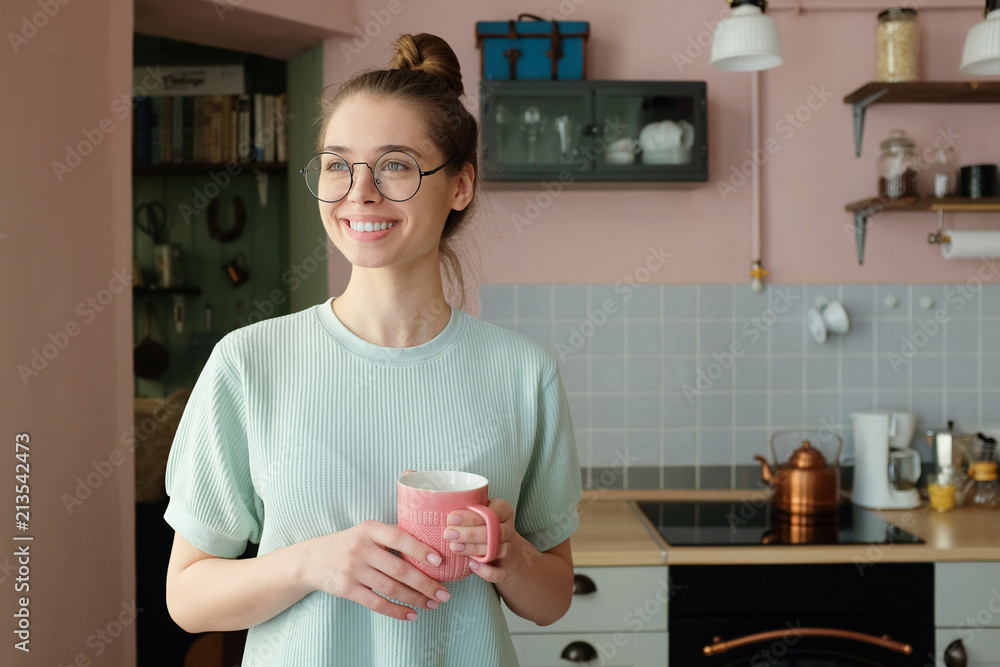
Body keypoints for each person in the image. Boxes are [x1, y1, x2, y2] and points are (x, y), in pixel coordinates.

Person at [163, 32, 582, 666]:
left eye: (396, 164)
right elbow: (188, 597)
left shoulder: (524, 373)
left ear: (461, 185)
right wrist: (314, 562)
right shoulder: (248, 363)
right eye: (337, 164)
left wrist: (509, 552)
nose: (360, 192)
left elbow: (551, 599)